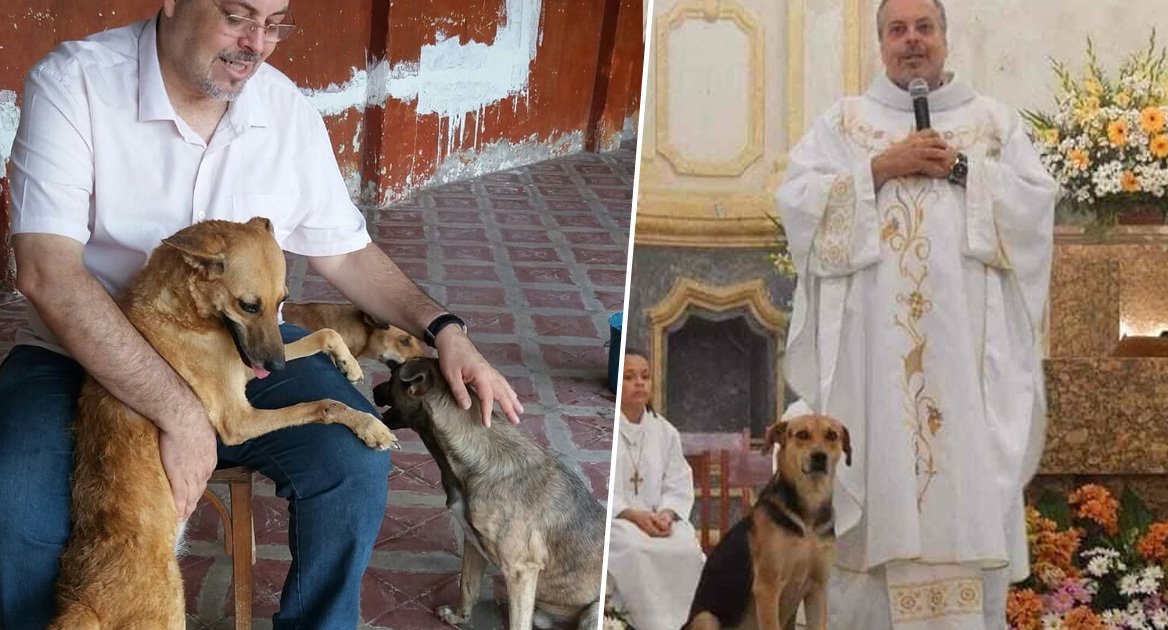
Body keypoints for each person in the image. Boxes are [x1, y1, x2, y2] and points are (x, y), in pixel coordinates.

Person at [0, 1, 523, 628]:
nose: (257, 42)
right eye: (238, 15)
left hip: (235, 350)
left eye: (274, 23)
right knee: (15, 501)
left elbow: (345, 252)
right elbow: (49, 274)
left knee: (353, 462)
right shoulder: (75, 83)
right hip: (79, 351)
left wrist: (444, 329)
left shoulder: (284, 109)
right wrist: (181, 414)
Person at [773, 0, 1056, 628]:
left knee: (964, 477)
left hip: (965, 359)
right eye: (897, 30)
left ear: (945, 38)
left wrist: (962, 169)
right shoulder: (844, 124)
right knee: (880, 478)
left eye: (924, 27)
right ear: (880, 43)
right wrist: (877, 169)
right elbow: (798, 202)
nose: (911, 41)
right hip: (874, 363)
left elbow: (1035, 211)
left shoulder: (992, 123)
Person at [606, 349, 704, 630]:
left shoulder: (665, 432)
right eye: (629, 377)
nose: (639, 383)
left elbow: (678, 482)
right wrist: (633, 515)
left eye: (645, 376)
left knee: (687, 548)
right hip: (619, 520)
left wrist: (666, 514)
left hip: (659, 519)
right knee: (634, 549)